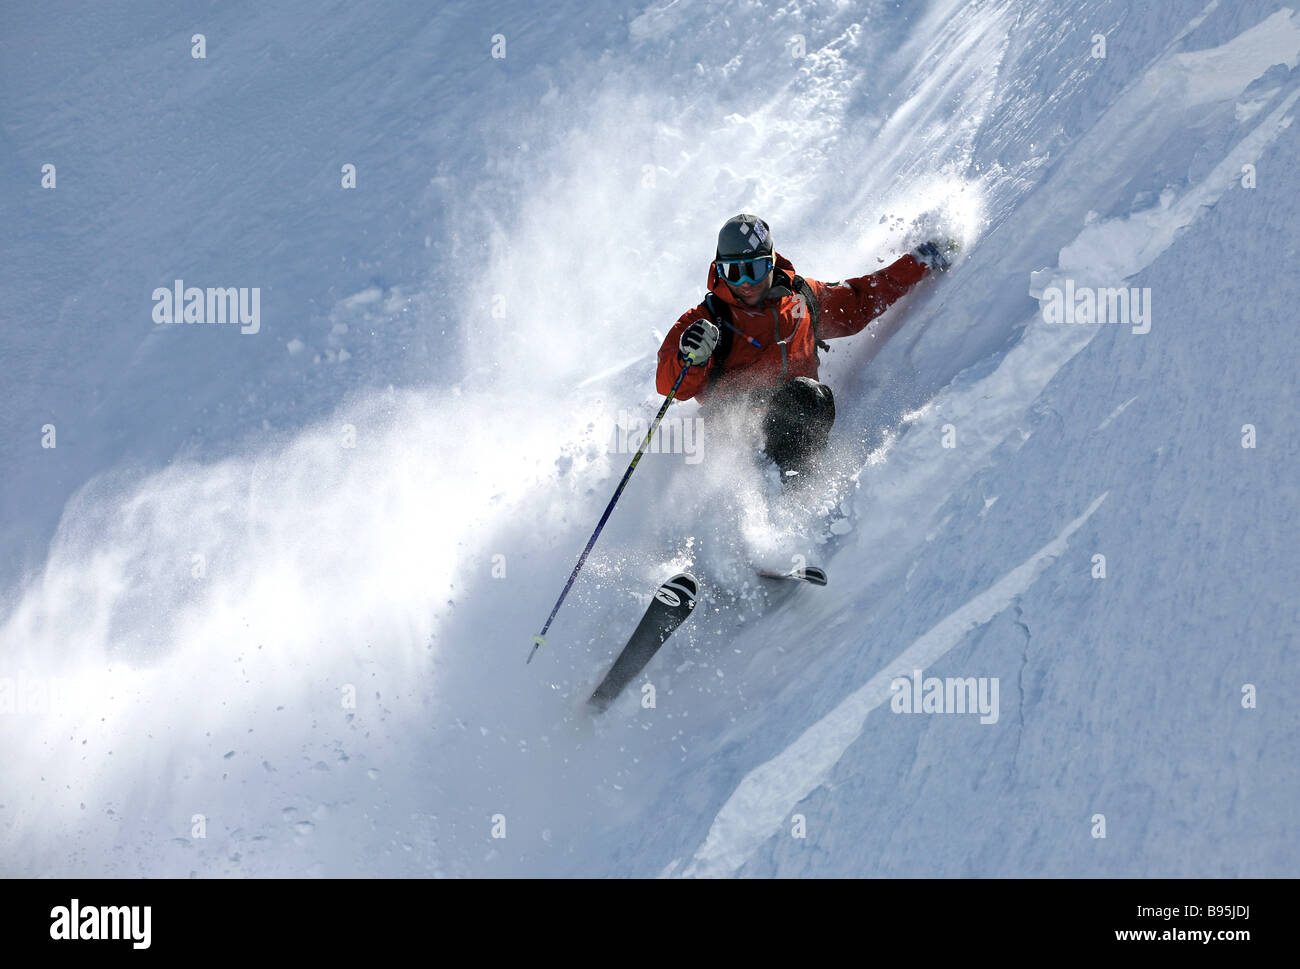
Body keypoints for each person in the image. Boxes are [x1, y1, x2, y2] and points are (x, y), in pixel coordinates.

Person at [655, 214, 954, 481]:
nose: (745, 282)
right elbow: (671, 386)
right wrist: (689, 357)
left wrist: (919, 262)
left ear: (772, 262)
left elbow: (862, 301)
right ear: (719, 271)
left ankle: (792, 492)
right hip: (731, 443)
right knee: (804, 397)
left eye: (756, 269)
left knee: (808, 396)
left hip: (795, 428)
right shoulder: (707, 321)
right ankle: (772, 489)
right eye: (734, 272)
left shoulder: (802, 300)